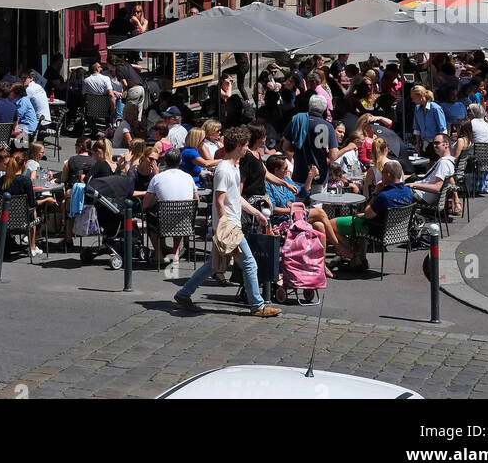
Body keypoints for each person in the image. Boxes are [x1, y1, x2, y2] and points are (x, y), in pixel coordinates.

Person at [173, 126, 280, 317]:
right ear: (238, 145)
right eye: (246, 145)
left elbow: (235, 198)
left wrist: (256, 213)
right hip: (229, 226)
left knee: (213, 265)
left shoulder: (233, 167)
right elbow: (220, 201)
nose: (247, 148)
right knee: (249, 263)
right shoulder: (223, 169)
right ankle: (258, 306)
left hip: (229, 224)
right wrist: (225, 226)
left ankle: (183, 294)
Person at [334, 160, 414, 273]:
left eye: (383, 172)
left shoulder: (384, 196)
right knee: (358, 220)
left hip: (376, 229)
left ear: (388, 175)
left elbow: (367, 214)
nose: (381, 174)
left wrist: (376, 192)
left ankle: (353, 255)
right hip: (396, 232)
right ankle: (361, 258)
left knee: (331, 224)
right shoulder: (408, 192)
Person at [283, 95, 355, 201]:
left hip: (300, 173)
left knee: (298, 208)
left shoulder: (297, 120)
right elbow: (333, 156)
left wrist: (299, 155)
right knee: (317, 207)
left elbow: (285, 146)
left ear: (310, 106)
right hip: (320, 176)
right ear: (324, 109)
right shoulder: (329, 127)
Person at [143, 148, 199, 264]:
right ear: (180, 161)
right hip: (184, 223)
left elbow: (145, 204)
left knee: (150, 215)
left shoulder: (157, 178)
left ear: (165, 162)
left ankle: (158, 254)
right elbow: (196, 200)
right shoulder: (188, 177)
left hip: (163, 222)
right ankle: (176, 253)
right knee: (180, 214)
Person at [1, 152, 44, 257]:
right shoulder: (25, 181)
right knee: (33, 210)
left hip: (6, 217)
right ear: (24, 163)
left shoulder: (3, 180)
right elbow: (32, 203)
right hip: (23, 218)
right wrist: (46, 200)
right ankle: (32, 247)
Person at [410, 133, 456, 211]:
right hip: (423, 193)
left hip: (423, 196)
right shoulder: (448, 160)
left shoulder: (444, 163)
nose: (434, 145)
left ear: (446, 144)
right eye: (433, 143)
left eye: (437, 143)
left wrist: (413, 185)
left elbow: (436, 187)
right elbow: (432, 177)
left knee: (393, 192)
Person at [410, 86, 447, 152]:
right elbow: (417, 128)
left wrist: (440, 146)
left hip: (436, 144)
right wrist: (418, 145)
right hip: (424, 144)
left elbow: (442, 130)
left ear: (420, 96)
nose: (412, 100)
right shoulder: (417, 109)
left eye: (414, 98)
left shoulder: (435, 108)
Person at [9, 82, 38, 148]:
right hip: (23, 126)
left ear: (17, 92)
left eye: (11, 90)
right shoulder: (18, 99)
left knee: (5, 132)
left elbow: (17, 117)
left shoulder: (23, 101)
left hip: (27, 130)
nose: (9, 92)